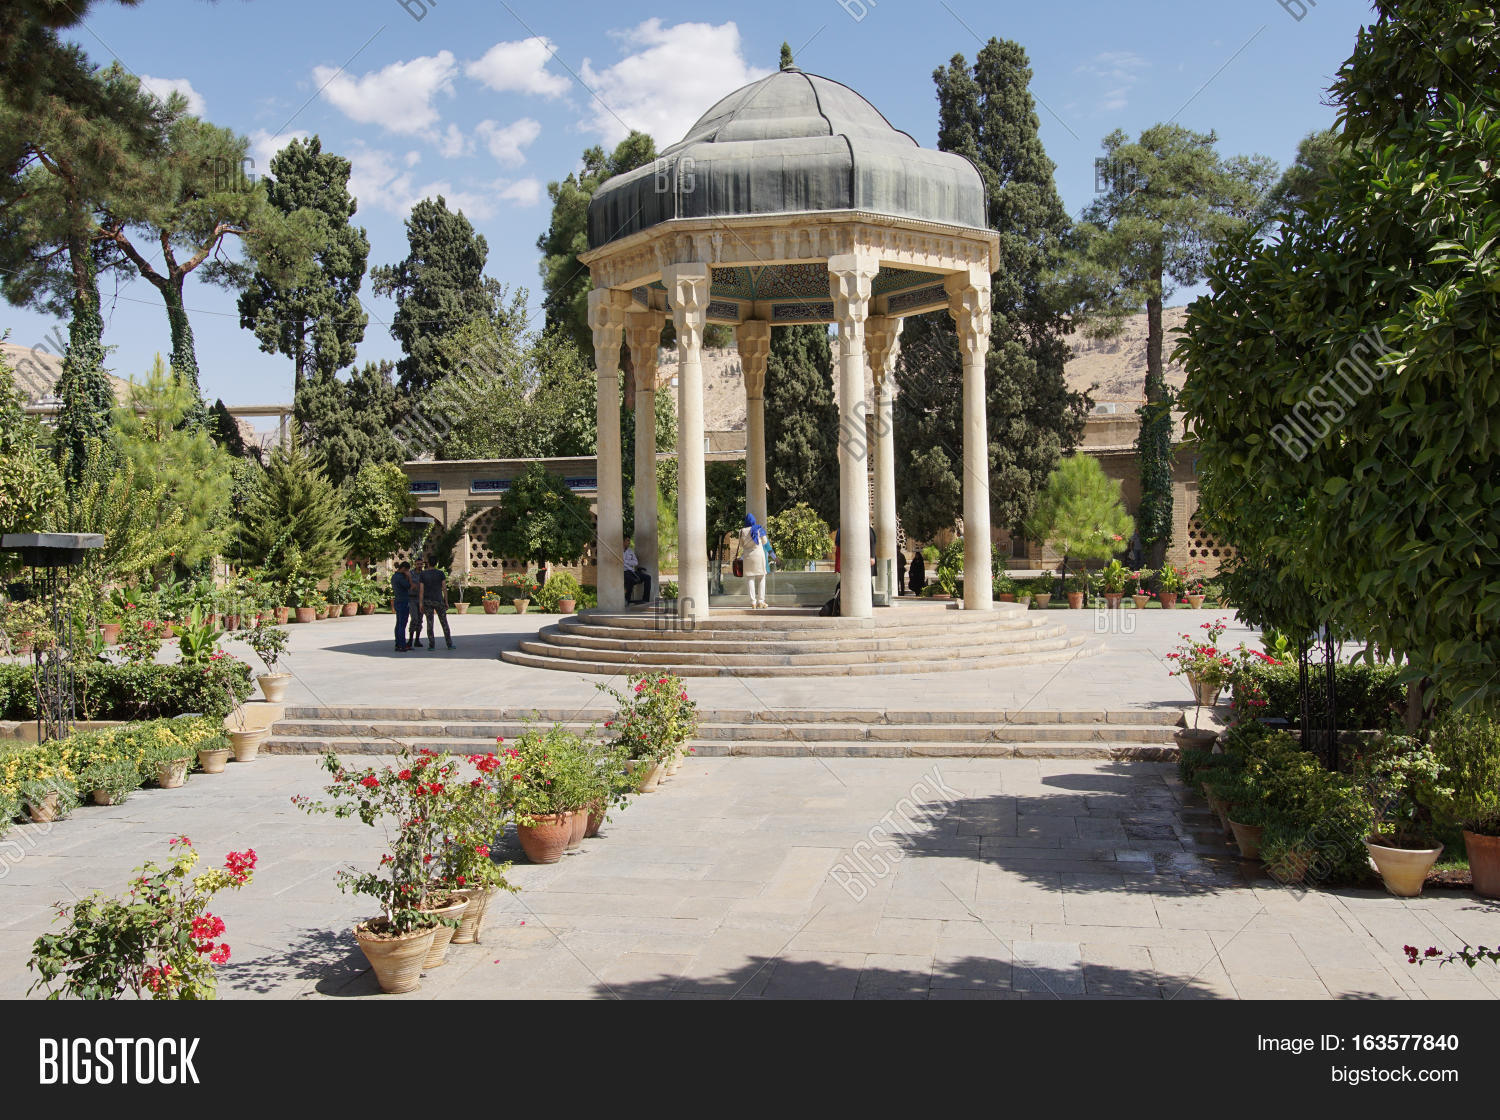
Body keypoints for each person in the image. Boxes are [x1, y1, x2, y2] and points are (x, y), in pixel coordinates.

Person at [415, 559, 454, 649]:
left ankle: (431, 645)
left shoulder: (423, 574)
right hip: (438, 600)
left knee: (429, 623)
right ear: (436, 563)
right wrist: (446, 601)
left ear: (428, 564)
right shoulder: (440, 573)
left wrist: (421, 603)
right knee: (444, 622)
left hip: (427, 600)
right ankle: (449, 644)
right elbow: (444, 588)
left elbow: (421, 590)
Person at [736, 513, 770, 609]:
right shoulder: (758, 528)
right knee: (761, 578)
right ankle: (761, 601)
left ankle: (753, 602)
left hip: (748, 557)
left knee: (750, 579)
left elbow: (741, 544)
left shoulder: (741, 531)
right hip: (759, 556)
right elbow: (765, 542)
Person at [391, 562, 414, 652]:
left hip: (397, 600)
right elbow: (410, 586)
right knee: (402, 624)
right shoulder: (400, 578)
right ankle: (402, 645)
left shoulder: (394, 576)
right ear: (404, 569)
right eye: (407, 570)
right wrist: (409, 577)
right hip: (403, 601)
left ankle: (398, 643)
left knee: (398, 624)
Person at [623, 540, 651, 604]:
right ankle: (627, 599)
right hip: (624, 572)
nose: (629, 542)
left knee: (648, 577)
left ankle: (645, 599)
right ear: (623, 541)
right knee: (631, 579)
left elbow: (635, 562)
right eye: (627, 541)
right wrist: (629, 562)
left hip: (632, 571)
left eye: (629, 541)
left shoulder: (630, 551)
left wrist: (626, 562)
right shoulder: (618, 550)